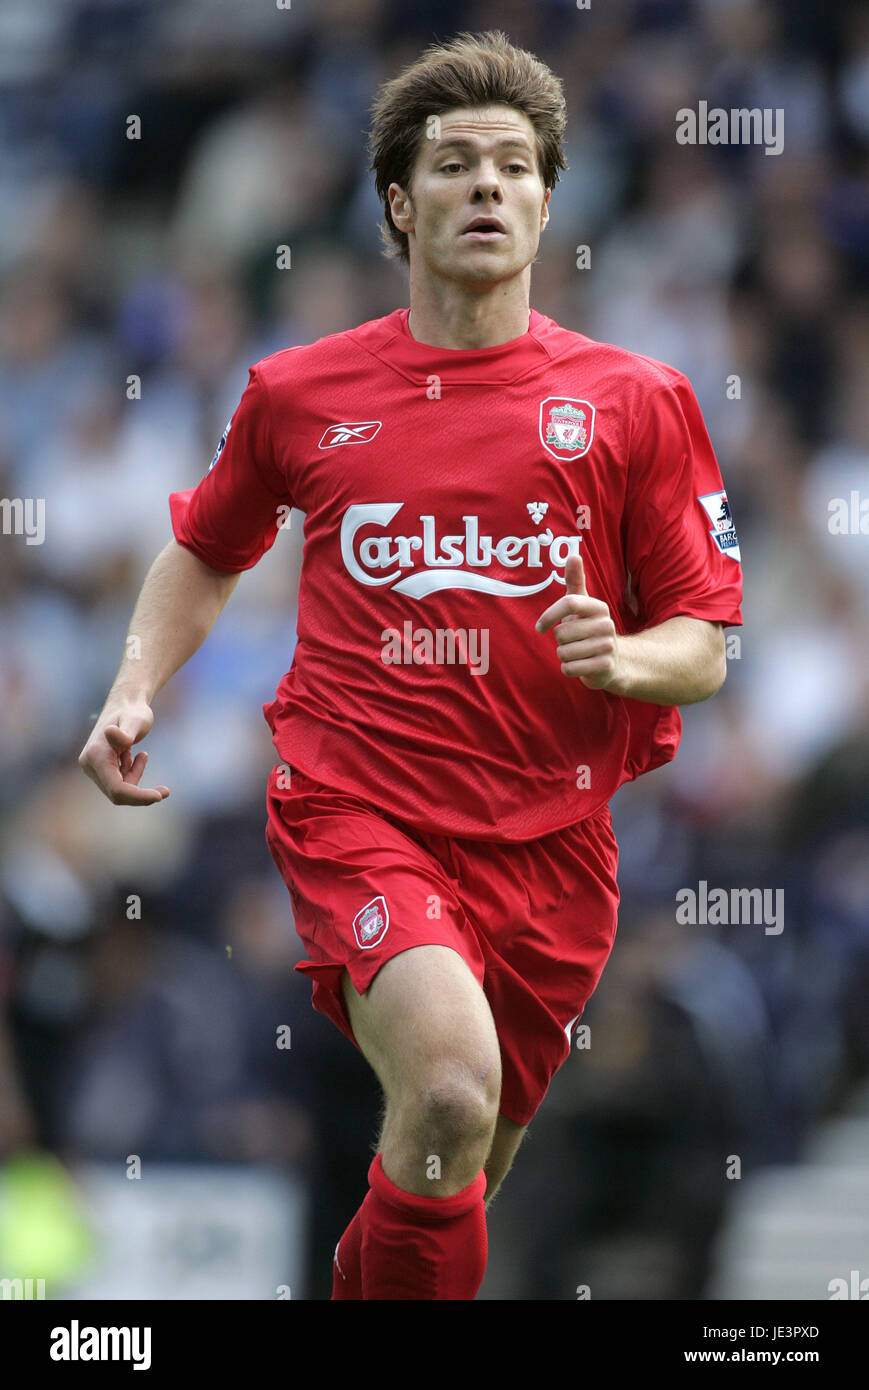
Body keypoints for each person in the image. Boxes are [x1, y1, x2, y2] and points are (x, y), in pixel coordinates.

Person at [78, 30, 743, 1300]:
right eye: (452, 165)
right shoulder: (299, 391)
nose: (485, 185)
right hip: (358, 809)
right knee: (443, 1085)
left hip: (553, 853)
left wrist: (625, 658)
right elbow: (204, 549)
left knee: (445, 1171)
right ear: (399, 201)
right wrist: (134, 683)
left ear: (548, 200)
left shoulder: (633, 400)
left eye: (511, 166)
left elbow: (704, 643)